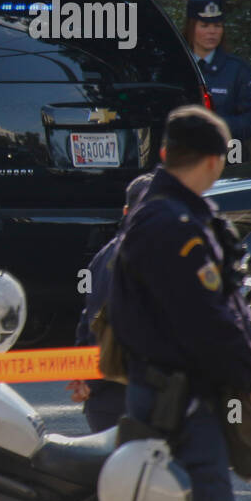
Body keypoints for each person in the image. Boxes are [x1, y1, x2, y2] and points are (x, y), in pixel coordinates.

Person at [108, 106, 251, 501]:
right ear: (214, 161)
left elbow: (226, 303)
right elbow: (205, 319)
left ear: (164, 153)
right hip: (176, 402)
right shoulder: (171, 224)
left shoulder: (178, 215)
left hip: (185, 395)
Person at [66, 172, 154, 432]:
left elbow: (87, 322)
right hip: (135, 402)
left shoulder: (102, 256)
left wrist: (85, 376)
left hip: (104, 405)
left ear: (126, 211)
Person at [184, 0, 251, 147]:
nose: (212, 32)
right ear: (192, 28)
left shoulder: (237, 70)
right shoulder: (178, 67)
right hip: (185, 157)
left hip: (229, 156)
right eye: (205, 25)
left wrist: (218, 125)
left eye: (217, 26)